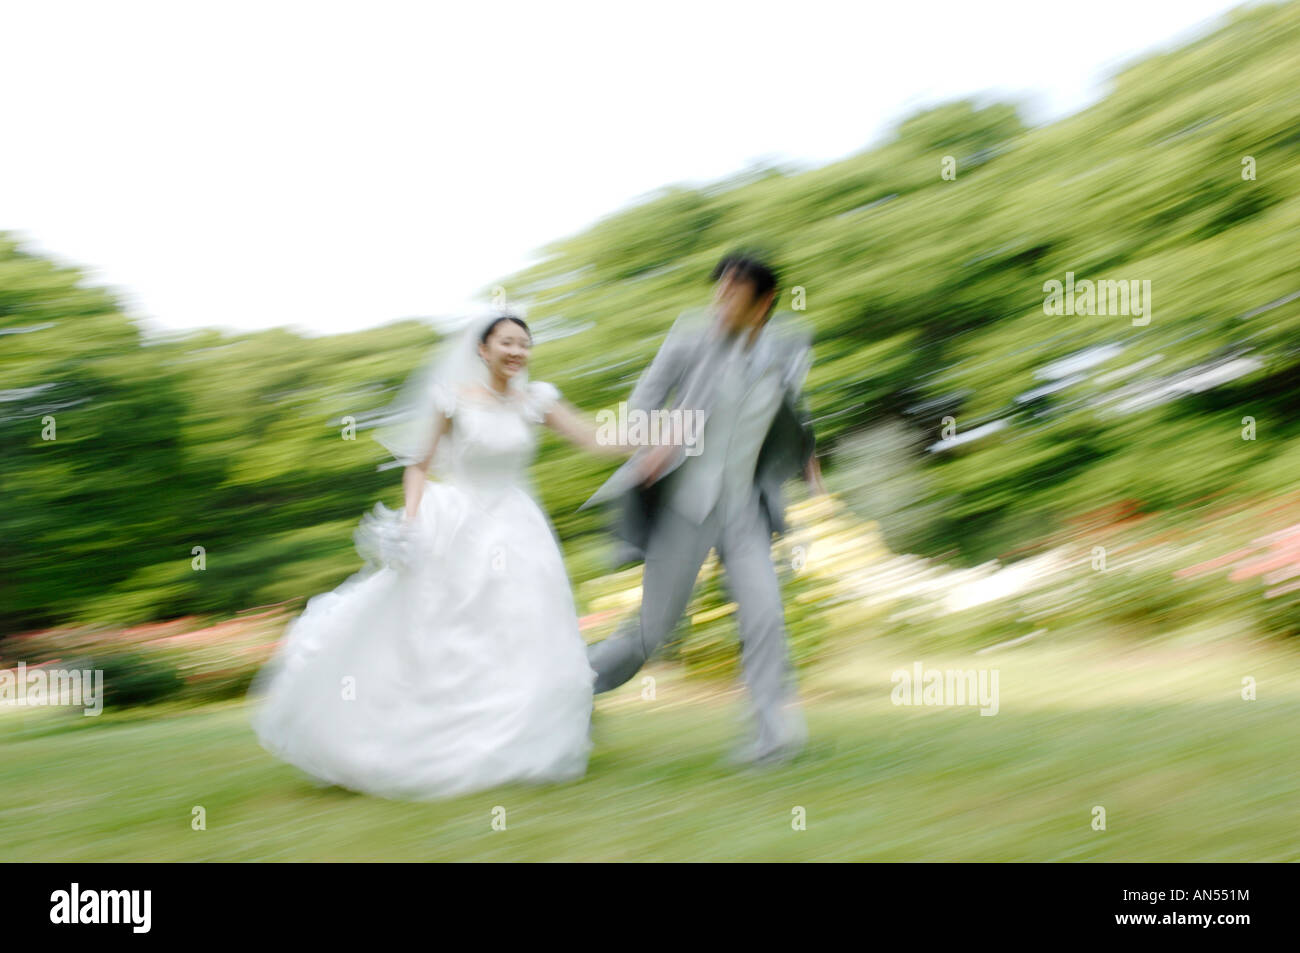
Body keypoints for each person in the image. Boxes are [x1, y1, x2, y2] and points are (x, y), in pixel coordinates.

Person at [249, 312, 628, 800]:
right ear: (482, 350)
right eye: (507, 343)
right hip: (458, 523)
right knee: (444, 633)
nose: (517, 352)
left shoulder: (538, 399)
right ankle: (411, 741)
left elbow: (594, 439)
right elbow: (418, 466)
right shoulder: (451, 398)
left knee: (523, 632)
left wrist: (652, 439)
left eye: (524, 344)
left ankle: (513, 744)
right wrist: (410, 523)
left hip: (518, 529)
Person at [583, 251, 825, 766]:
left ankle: (770, 740)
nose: (720, 301)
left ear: (762, 305)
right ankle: (575, 689)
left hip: (744, 507)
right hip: (685, 503)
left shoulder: (789, 345)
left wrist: (809, 467)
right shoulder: (691, 335)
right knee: (654, 630)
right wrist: (656, 442)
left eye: (733, 293)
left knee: (764, 616)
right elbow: (643, 403)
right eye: (718, 290)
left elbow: (789, 413)